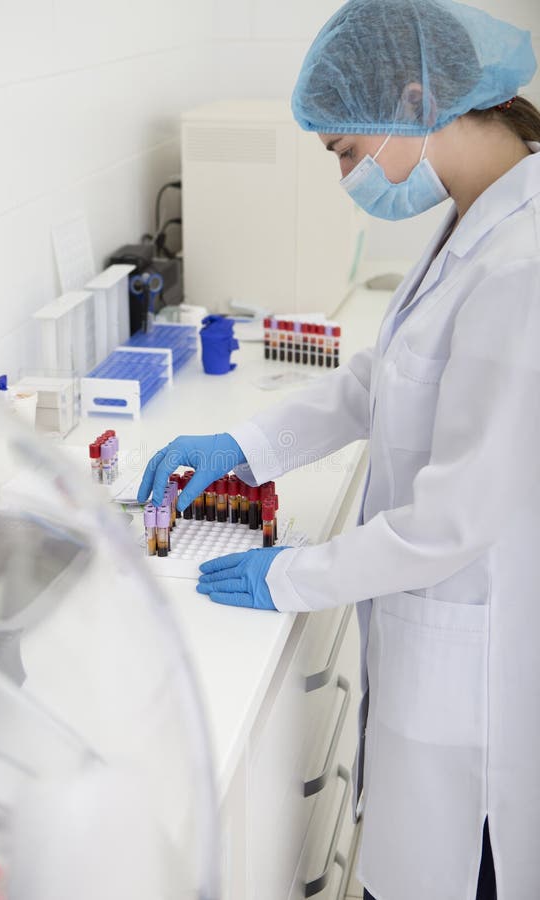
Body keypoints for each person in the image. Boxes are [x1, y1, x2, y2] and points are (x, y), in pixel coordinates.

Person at [137, 1, 540, 897]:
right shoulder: (476, 219)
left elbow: (454, 521)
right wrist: (243, 442)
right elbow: (384, 377)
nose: (348, 178)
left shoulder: (522, 262)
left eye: (346, 153)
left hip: (476, 702)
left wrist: (296, 574)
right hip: (429, 656)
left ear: (412, 98)